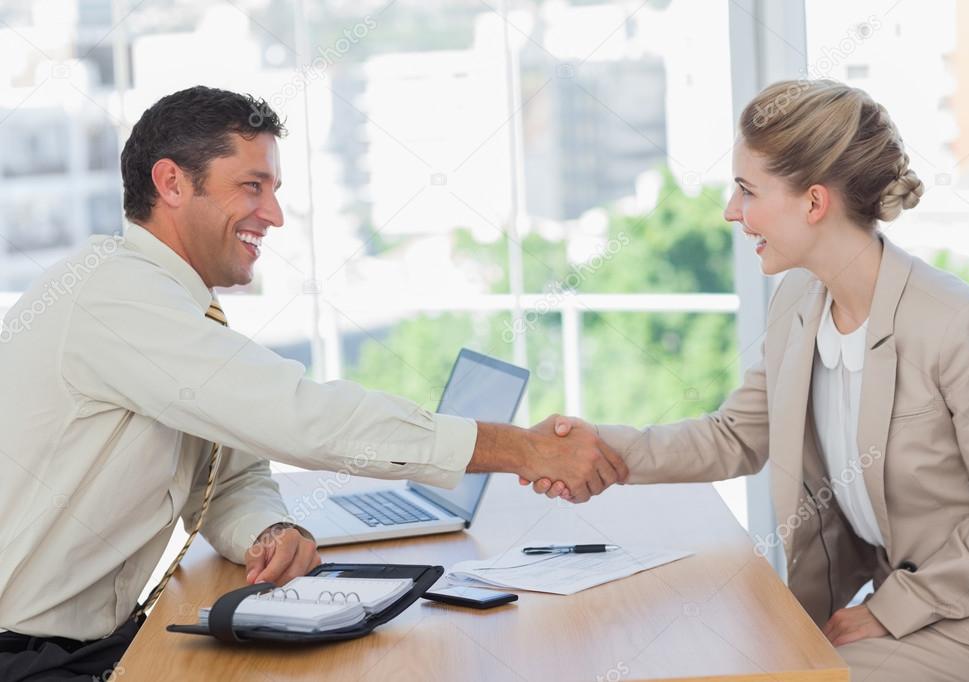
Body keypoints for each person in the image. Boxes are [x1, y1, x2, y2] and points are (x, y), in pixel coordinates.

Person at [0, 85, 627, 681]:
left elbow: (232, 476)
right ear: (171, 183)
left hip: (81, 646)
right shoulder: (117, 298)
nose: (272, 214)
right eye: (252, 186)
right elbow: (303, 417)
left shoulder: (168, 308)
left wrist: (268, 531)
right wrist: (523, 449)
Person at [528, 80, 969, 681]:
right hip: (889, 609)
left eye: (746, 190)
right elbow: (734, 436)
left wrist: (893, 610)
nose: (732, 211)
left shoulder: (958, 327)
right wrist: (600, 447)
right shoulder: (798, 302)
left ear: (814, 203)